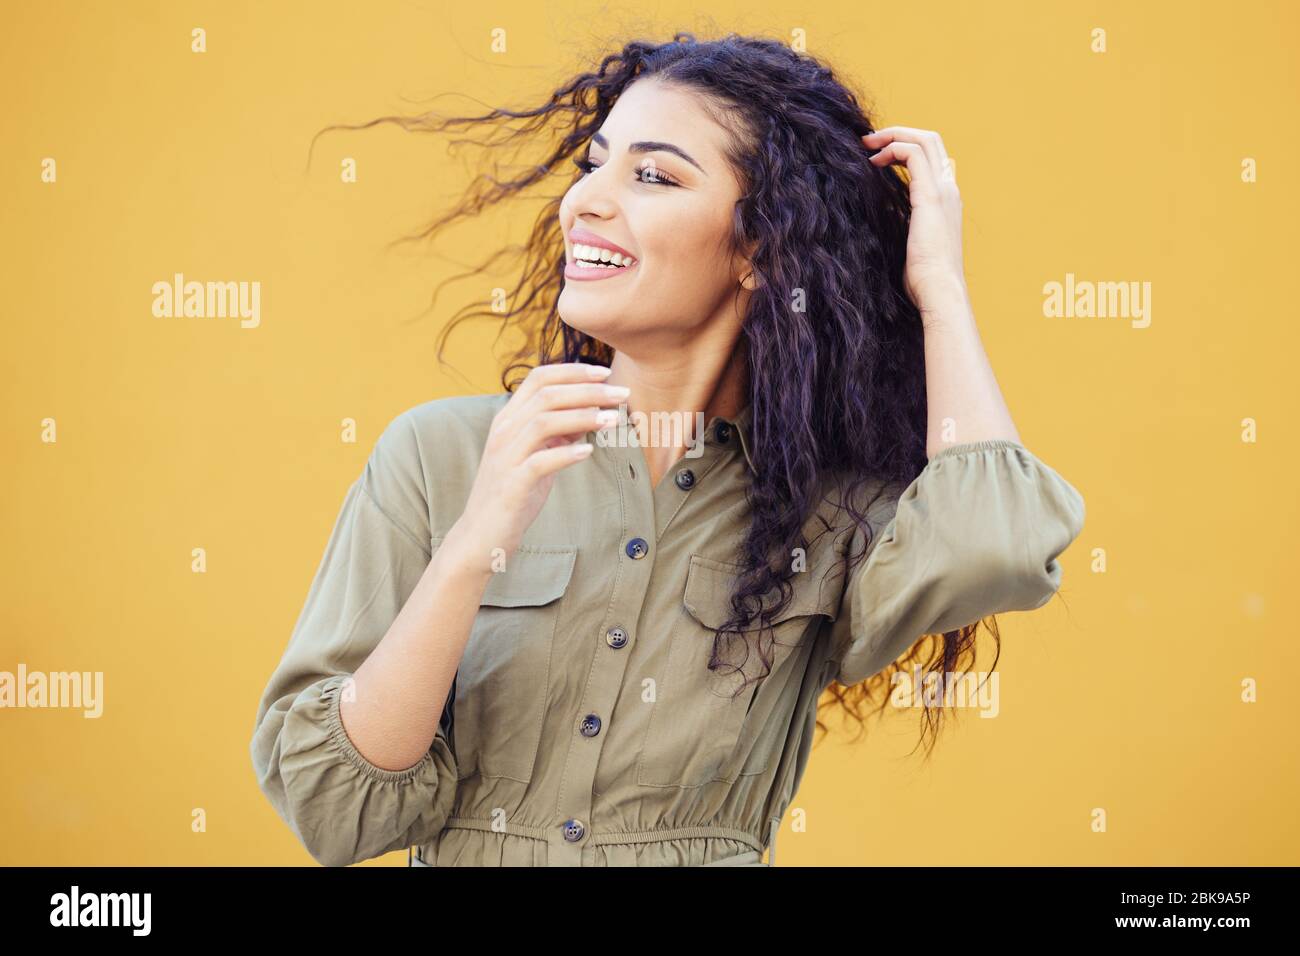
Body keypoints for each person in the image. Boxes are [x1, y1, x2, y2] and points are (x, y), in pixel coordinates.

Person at [250, 32, 1085, 867]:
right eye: (594, 164)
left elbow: (998, 546)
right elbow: (336, 812)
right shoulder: (441, 456)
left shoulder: (831, 512)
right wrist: (474, 546)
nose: (584, 202)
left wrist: (939, 286)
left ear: (762, 246)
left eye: (651, 175)